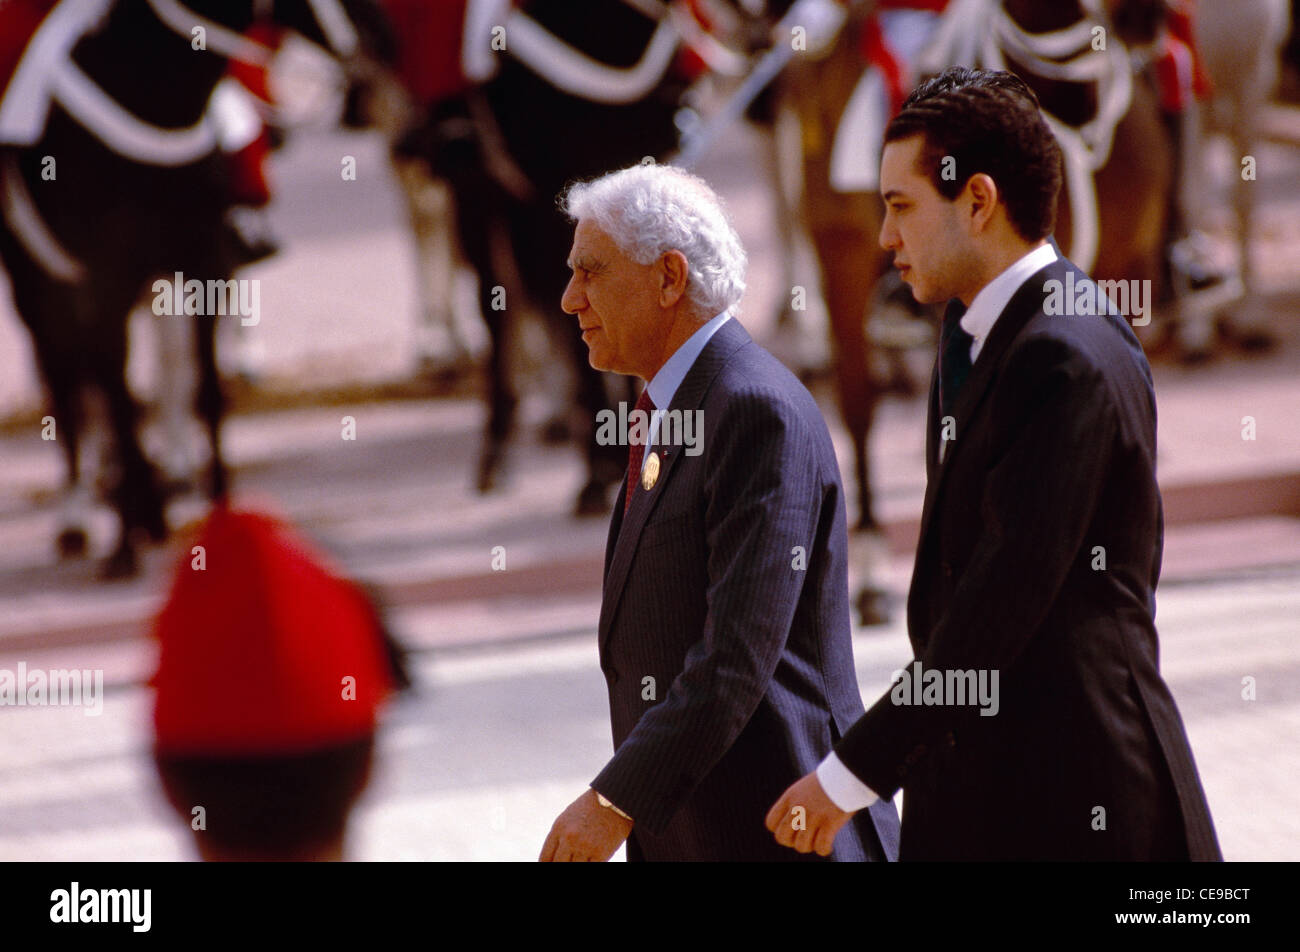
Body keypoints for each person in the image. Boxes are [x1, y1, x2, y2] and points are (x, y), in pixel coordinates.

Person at [767, 67, 1222, 861]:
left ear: (977, 201)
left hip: (1085, 797)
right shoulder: (973, 334)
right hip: (984, 789)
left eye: (901, 207)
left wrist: (846, 778)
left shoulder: (1064, 355)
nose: (883, 238)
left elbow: (998, 601)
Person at [539, 163, 900, 862]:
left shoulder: (751, 410)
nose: (568, 299)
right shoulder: (678, 408)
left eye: (591, 272)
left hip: (777, 835)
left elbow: (735, 656)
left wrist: (616, 801)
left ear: (670, 278)